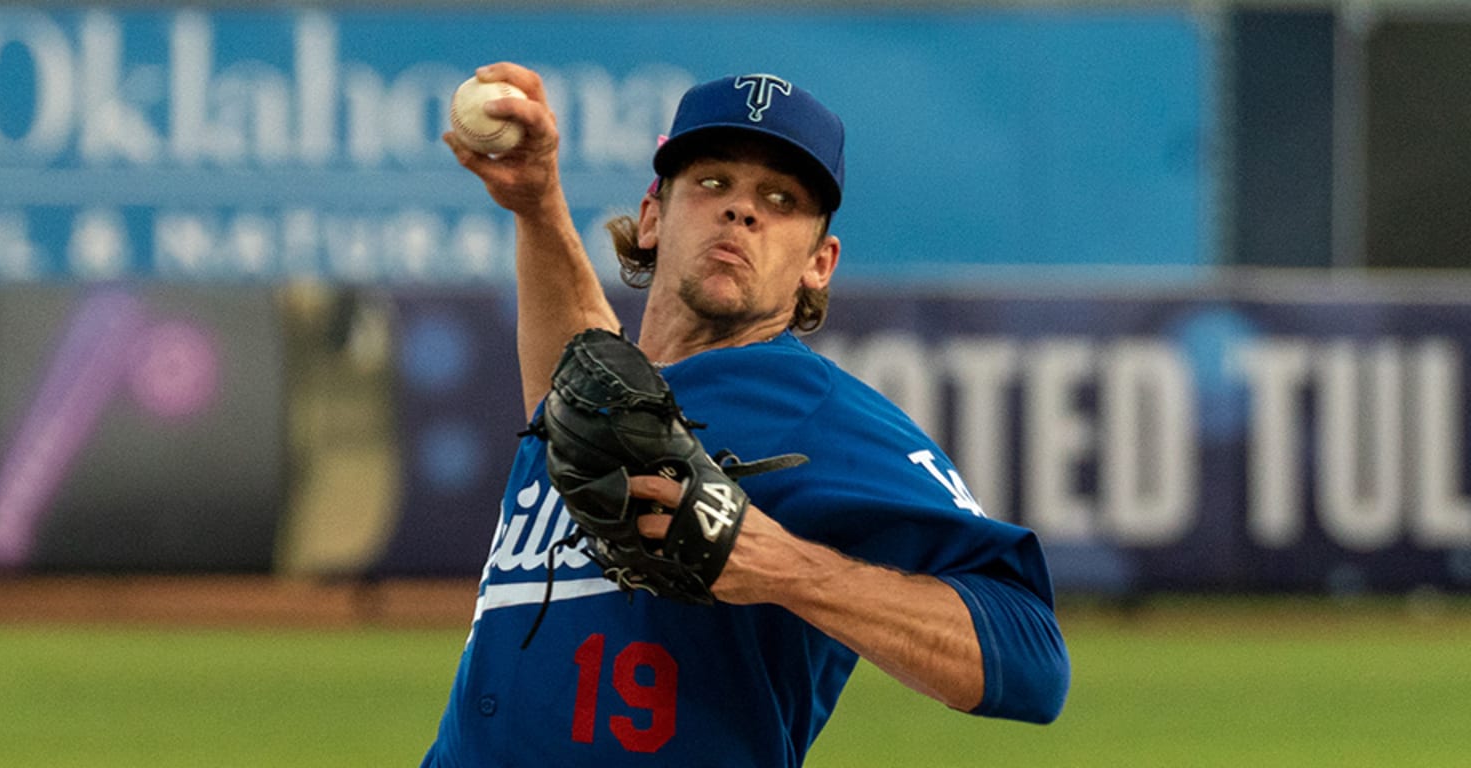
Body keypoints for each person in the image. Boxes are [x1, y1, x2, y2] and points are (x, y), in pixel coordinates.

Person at [421, 63, 1070, 767]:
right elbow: (574, 379)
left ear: (819, 263)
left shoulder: (820, 418)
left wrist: (785, 567)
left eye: (781, 198)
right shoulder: (598, 397)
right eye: (711, 183)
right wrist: (540, 204)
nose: (742, 209)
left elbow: (1032, 659)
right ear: (652, 216)